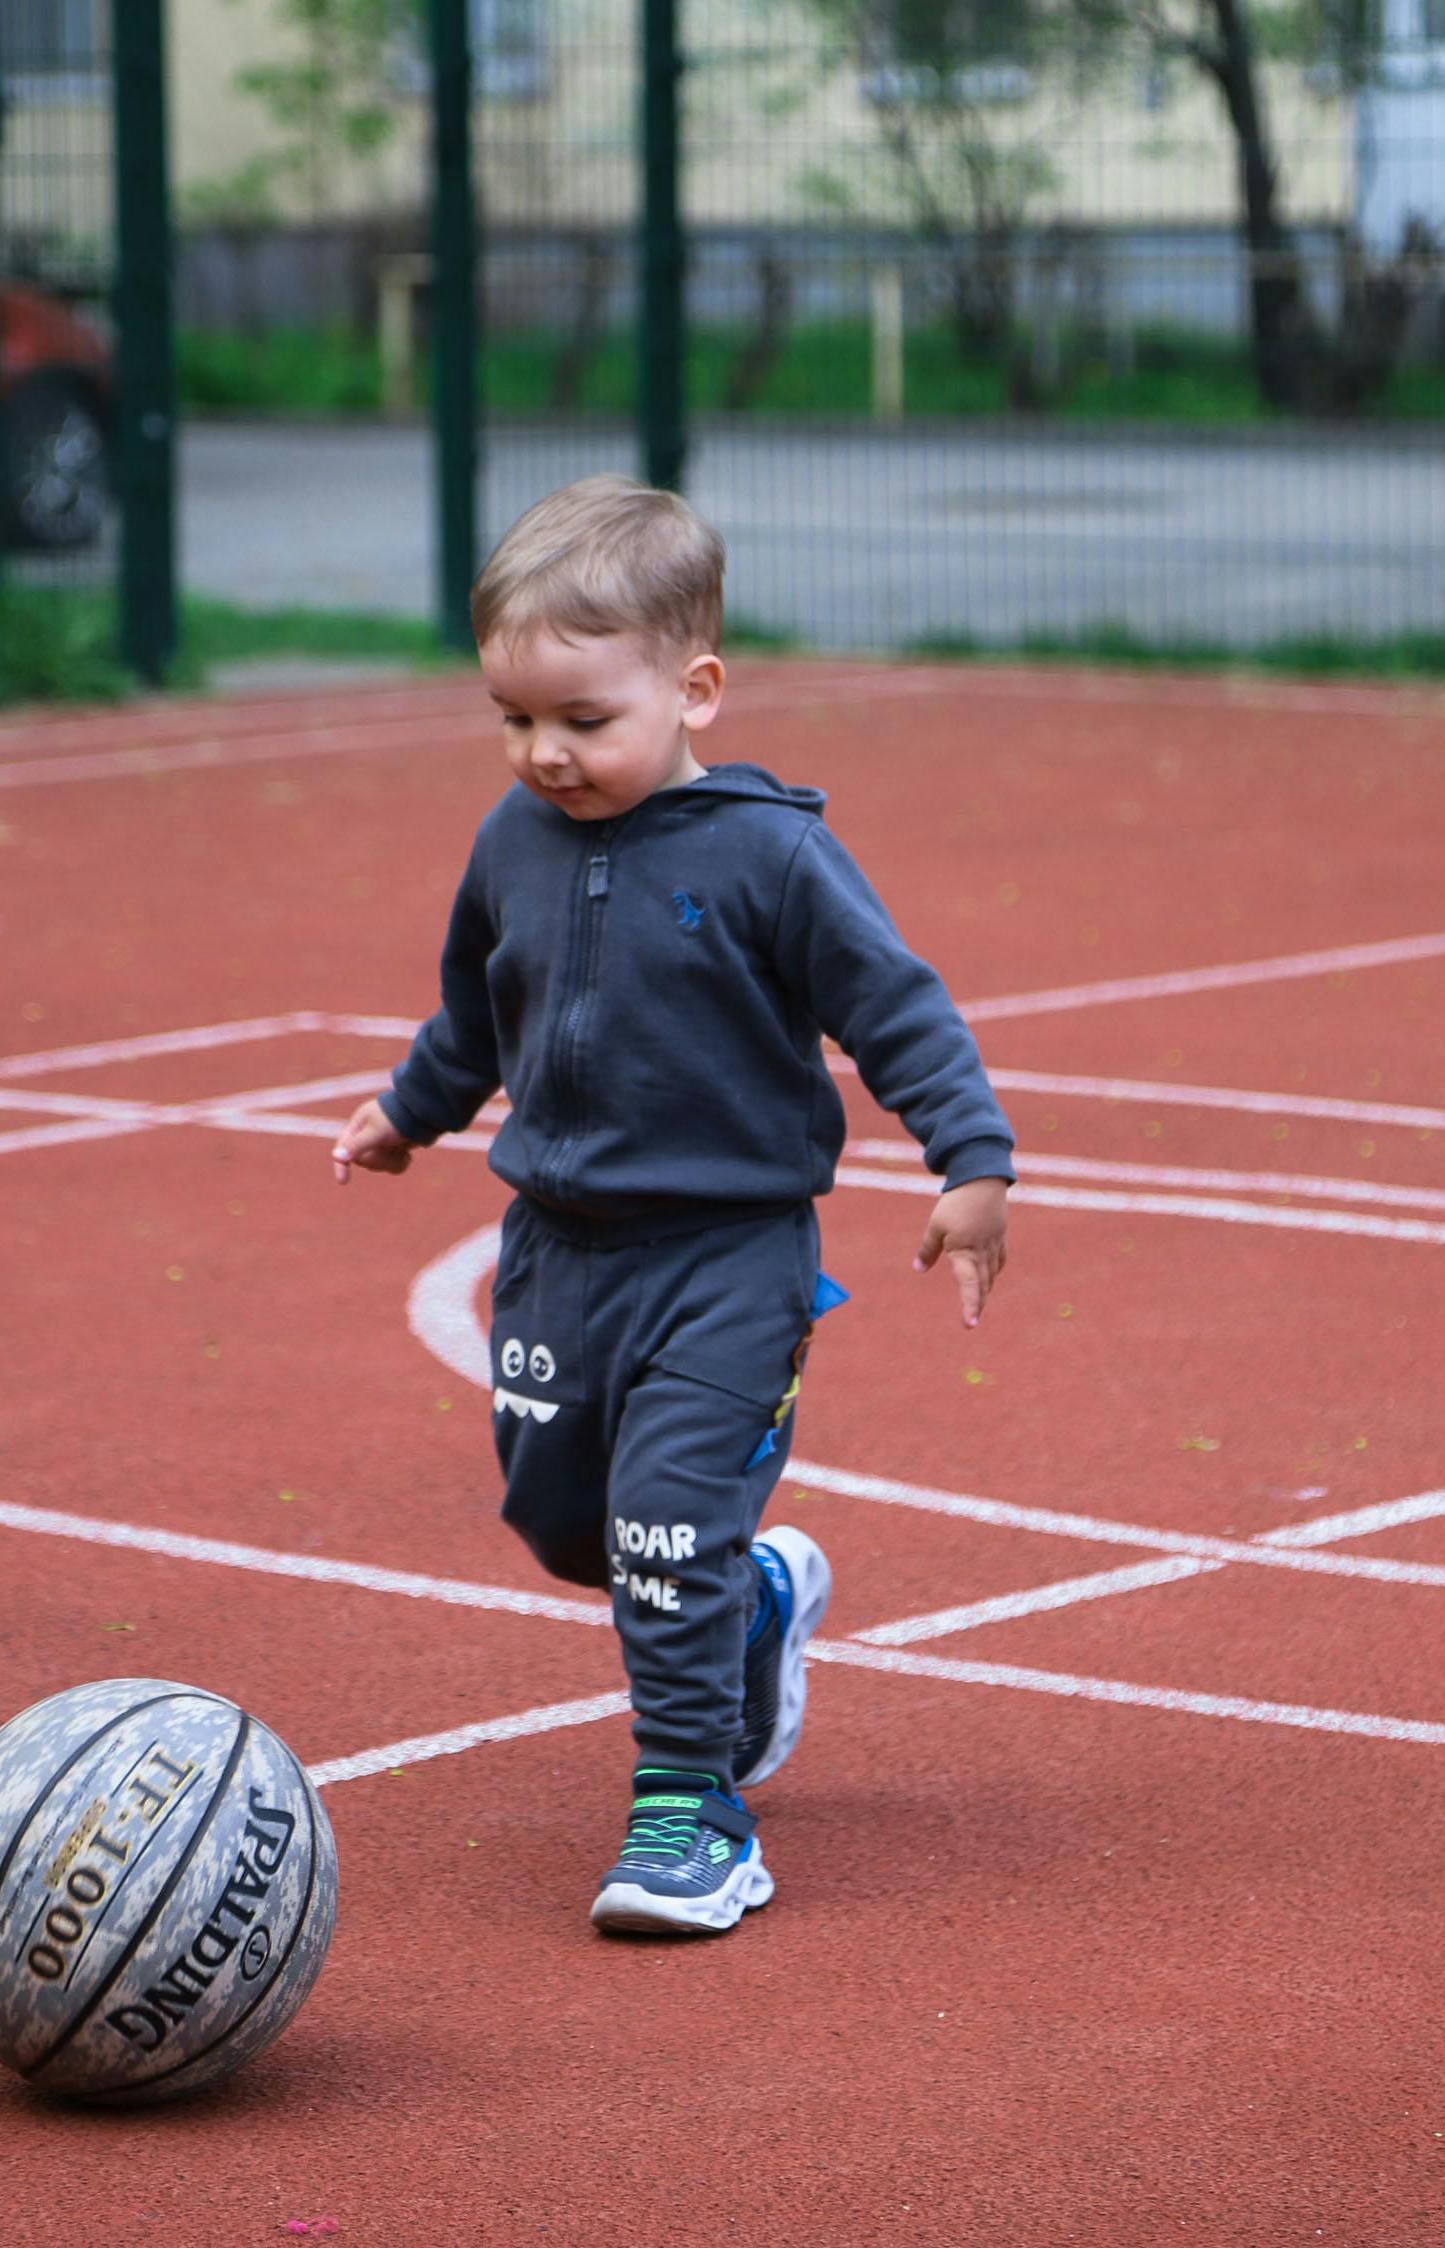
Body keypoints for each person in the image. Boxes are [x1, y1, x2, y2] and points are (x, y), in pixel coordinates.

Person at [333, 475, 1013, 1936]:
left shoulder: (772, 854)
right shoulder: (510, 842)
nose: (546, 753)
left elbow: (896, 1009)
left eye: (585, 720)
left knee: (660, 1536)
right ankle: (753, 1602)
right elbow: (479, 1012)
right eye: (515, 719)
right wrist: (411, 1109)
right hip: (556, 1256)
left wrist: (971, 1162)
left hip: (728, 1262)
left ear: (696, 690)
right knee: (565, 1522)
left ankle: (692, 1809)